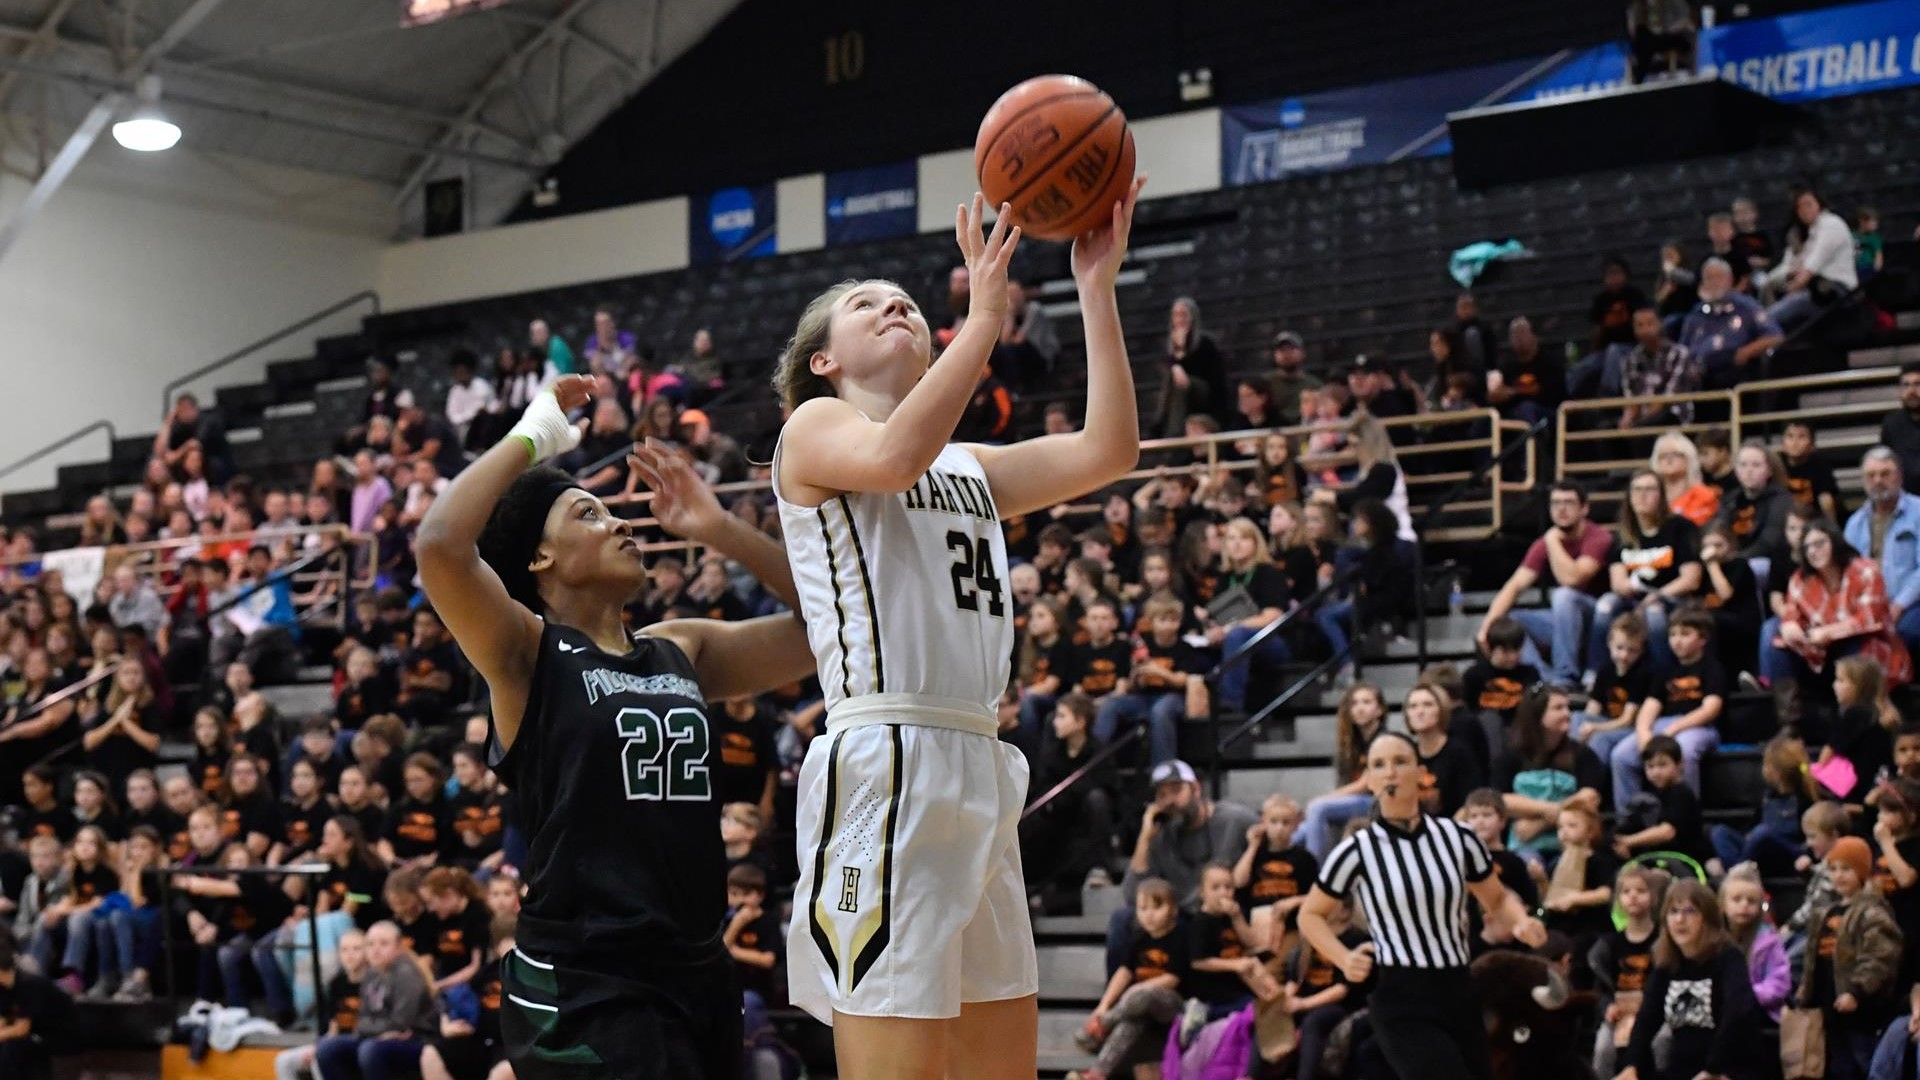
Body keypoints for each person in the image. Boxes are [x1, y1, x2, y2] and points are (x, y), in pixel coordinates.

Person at [767, 183, 1143, 1077]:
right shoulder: (813, 427)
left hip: (980, 758)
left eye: (903, 300)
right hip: (885, 761)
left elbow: (1110, 451)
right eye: (865, 304)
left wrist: (1096, 286)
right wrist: (984, 319)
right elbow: (894, 460)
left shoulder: (968, 463)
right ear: (822, 361)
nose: (894, 304)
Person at [414, 374, 816, 1079]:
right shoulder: (525, 653)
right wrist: (535, 437)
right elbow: (441, 543)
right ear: (540, 558)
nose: (622, 523)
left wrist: (719, 528)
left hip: (696, 966)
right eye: (588, 515)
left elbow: (831, 627)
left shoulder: (681, 646)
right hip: (583, 978)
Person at [1296, 730, 1548, 1080]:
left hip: (1457, 985)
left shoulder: (1457, 837)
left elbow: (1498, 897)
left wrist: (1521, 920)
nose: (1391, 772)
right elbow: (1310, 915)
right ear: (1369, 780)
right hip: (1399, 993)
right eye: (1379, 765)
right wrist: (1342, 957)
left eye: (1401, 761)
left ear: (1421, 774)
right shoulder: (1357, 850)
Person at [1616, 879, 1763, 1080]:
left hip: (1730, 1068)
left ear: (1709, 919)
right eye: (1673, 912)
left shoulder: (1728, 958)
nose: (1679, 920)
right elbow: (1646, 1019)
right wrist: (1631, 1065)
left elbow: (1737, 1014)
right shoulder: (1666, 965)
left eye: (1690, 911)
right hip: (1683, 1068)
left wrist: (1713, 1069)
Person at [1478, 480, 1613, 683]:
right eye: (1556, 503)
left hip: (1598, 621)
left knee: (1564, 596)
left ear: (1584, 509)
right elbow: (1514, 586)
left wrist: (1552, 541)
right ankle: (1542, 680)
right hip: (1564, 623)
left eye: (1568, 503)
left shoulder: (1598, 537)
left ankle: (1564, 678)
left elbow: (1572, 579)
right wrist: (1488, 626)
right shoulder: (1546, 542)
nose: (1561, 509)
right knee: (1511, 622)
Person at [1793, 836, 1904, 1080]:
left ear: (1862, 872)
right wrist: (1805, 993)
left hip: (1861, 1012)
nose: (1839, 875)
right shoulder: (1826, 912)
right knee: (1837, 1067)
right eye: (1833, 869)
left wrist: (1856, 991)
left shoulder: (1872, 911)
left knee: (1863, 1063)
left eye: (1847, 869)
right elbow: (1813, 959)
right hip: (1829, 1007)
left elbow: (1879, 958)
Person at [1591, 469, 1702, 678]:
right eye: (1637, 490)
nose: (1642, 495)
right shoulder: (1623, 535)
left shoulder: (1681, 528)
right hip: (1634, 598)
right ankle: (1596, 674)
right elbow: (1617, 581)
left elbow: (1691, 579)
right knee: (1605, 604)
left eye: (1650, 489)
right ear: (1629, 497)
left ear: (1661, 496)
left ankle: (1663, 677)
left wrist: (1657, 595)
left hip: (1673, 600)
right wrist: (1626, 587)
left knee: (1654, 612)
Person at [312, 921, 437, 1080]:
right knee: (328, 1048)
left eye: (384, 944)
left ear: (398, 947)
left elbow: (399, 1024)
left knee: (370, 1050)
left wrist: (369, 1027)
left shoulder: (407, 975)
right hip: (376, 1037)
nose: (375, 950)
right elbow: (362, 1018)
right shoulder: (371, 973)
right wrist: (371, 1028)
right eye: (370, 944)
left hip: (418, 1039)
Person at [1844, 447, 1920, 659]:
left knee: (1905, 632)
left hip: (1911, 603)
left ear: (1900, 476)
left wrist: (1898, 605)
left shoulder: (1918, 512)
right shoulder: (1855, 523)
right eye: (1871, 475)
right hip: (1870, 605)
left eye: (1885, 474)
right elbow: (1848, 572)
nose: (1878, 480)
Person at [1765, 186, 1859, 334]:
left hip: (1836, 291)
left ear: (1819, 204)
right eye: (1799, 207)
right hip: (1816, 290)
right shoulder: (1810, 233)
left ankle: (1758, 324)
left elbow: (1814, 262)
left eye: (1808, 204)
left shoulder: (1831, 224)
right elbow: (1796, 265)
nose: (1804, 210)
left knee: (1792, 303)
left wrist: (1794, 286)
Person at [1680, 258, 1783, 389]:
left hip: (1732, 371)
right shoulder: (1696, 313)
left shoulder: (1746, 306)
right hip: (1697, 374)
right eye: (1709, 278)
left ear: (1729, 280)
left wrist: (1746, 351)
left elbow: (1775, 336)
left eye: (1718, 277)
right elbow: (1682, 350)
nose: (1713, 283)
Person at [1150, 295, 1227, 437]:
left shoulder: (1205, 343)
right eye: (1176, 315)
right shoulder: (1169, 346)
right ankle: (1162, 425)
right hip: (1180, 393)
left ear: (1193, 318)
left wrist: (1181, 353)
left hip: (1204, 391)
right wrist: (1176, 361)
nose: (1179, 320)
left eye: (1184, 315)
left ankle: (1169, 430)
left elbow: (1207, 375)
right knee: (1171, 380)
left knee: (1175, 382)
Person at [1880, 364, 1920, 494]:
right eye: (1906, 385)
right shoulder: (1891, 424)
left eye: (1917, 384)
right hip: (1905, 500)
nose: (1911, 391)